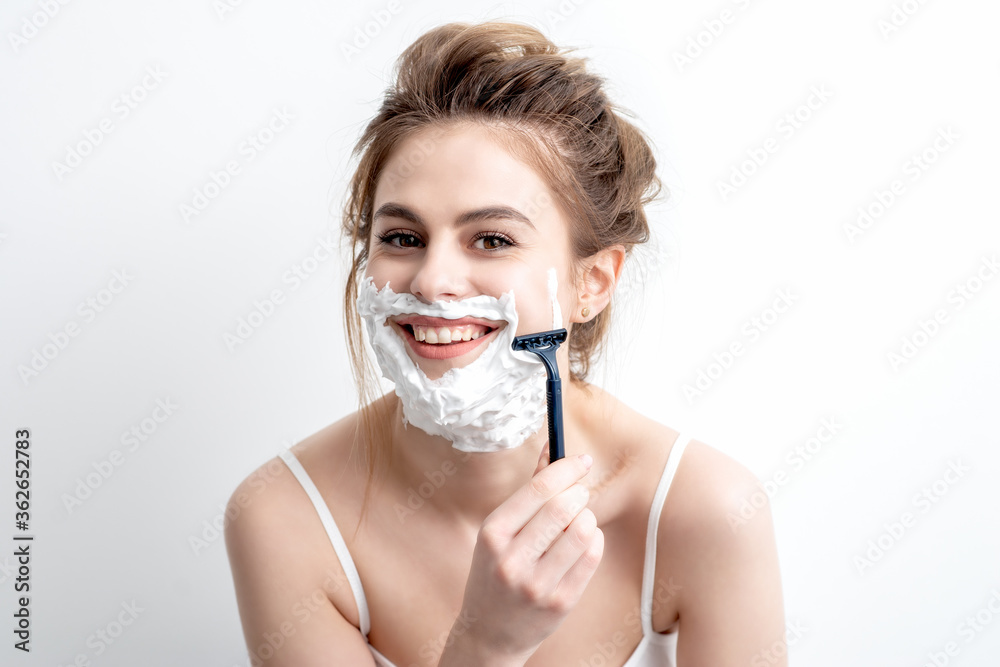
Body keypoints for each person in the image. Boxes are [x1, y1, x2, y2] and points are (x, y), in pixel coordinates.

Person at [224, 20, 786, 667]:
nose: (433, 281)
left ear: (592, 281)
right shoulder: (284, 517)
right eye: (402, 237)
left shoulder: (707, 511)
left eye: (491, 239)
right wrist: (486, 645)